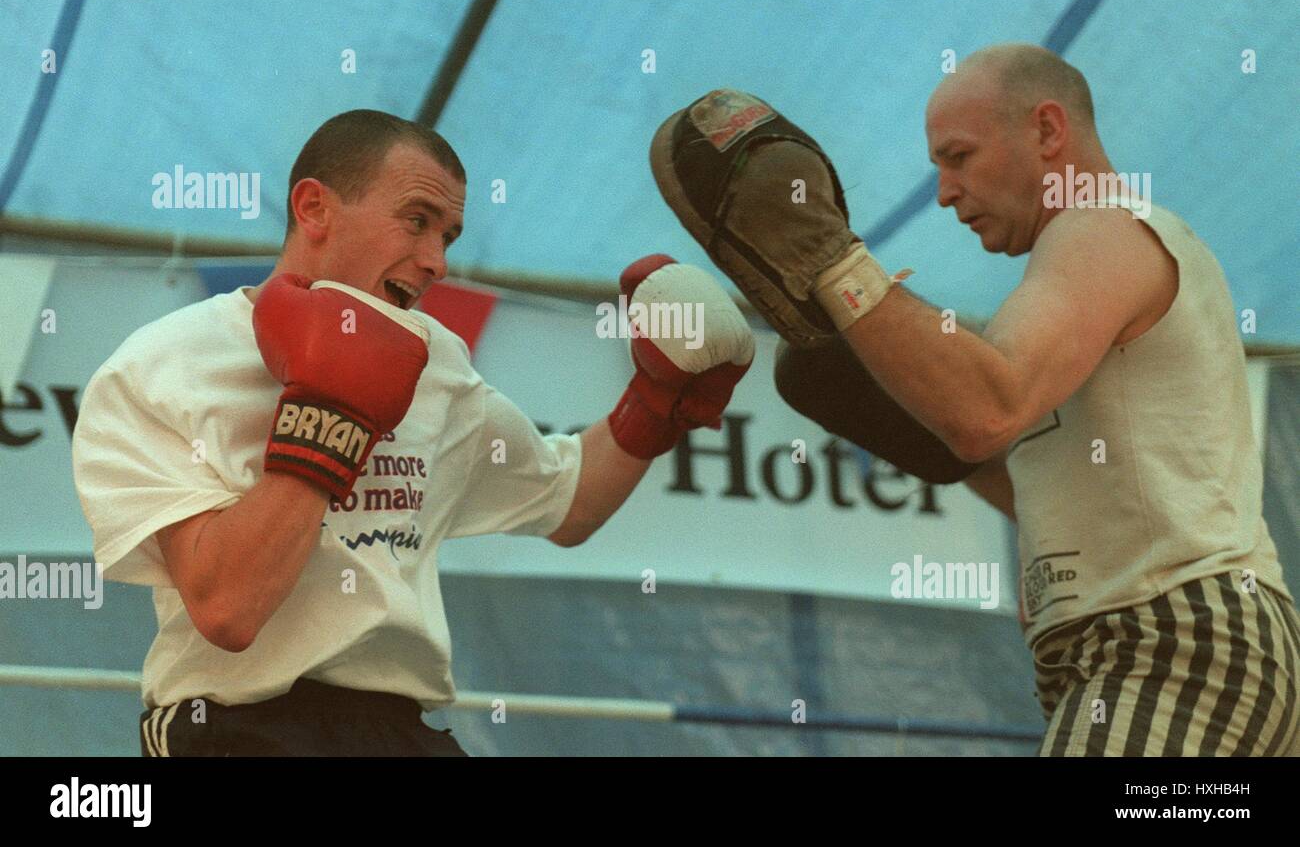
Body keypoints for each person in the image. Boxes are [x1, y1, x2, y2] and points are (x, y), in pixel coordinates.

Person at [651, 47, 1299, 756]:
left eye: (959, 156)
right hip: (1184, 648)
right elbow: (1016, 456)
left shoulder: (1103, 226)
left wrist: (828, 258)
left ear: (1048, 131)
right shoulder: (1075, 288)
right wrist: (921, 428)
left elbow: (987, 407)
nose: (944, 192)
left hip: (1170, 644)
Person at [72, 109, 753, 756]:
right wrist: (330, 418)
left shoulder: (436, 364)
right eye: (417, 221)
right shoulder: (163, 366)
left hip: (402, 731)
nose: (436, 261)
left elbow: (569, 501)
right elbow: (227, 610)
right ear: (313, 208)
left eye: (448, 236)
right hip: (239, 727)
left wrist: (655, 401)